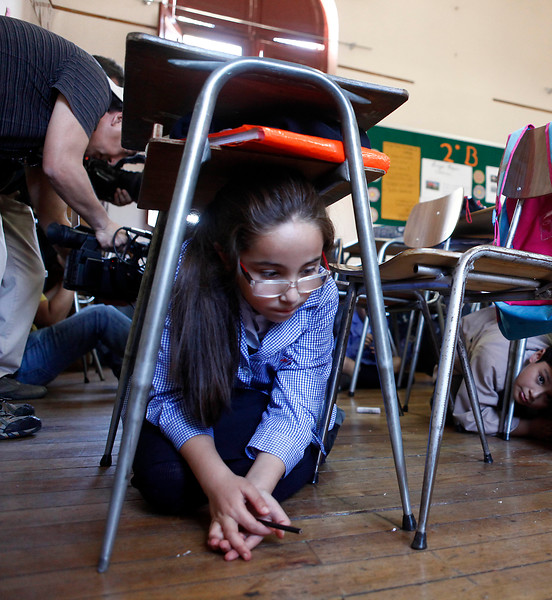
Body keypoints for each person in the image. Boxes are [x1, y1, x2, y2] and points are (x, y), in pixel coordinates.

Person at [130, 168, 342, 563]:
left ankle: (263, 477)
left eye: (310, 269)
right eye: (270, 274)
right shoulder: (184, 274)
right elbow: (169, 394)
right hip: (205, 398)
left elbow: (296, 404)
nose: (294, 294)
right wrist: (219, 483)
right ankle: (255, 476)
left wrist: (249, 495)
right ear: (227, 257)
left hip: (267, 402)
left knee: (284, 447)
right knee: (163, 481)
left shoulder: (322, 292)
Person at [0, 17, 133, 406]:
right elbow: (61, 164)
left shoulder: (60, 111)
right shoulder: (93, 83)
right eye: (122, 149)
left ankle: (2, 374)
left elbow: (42, 175)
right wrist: (104, 224)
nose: (113, 159)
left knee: (27, 268)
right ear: (117, 117)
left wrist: (63, 249)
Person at [451, 307, 552, 438]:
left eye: (548, 398)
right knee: (448, 408)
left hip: (495, 364)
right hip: (456, 364)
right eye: (541, 379)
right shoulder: (492, 360)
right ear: (537, 356)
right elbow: (469, 416)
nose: (535, 394)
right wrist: (529, 428)